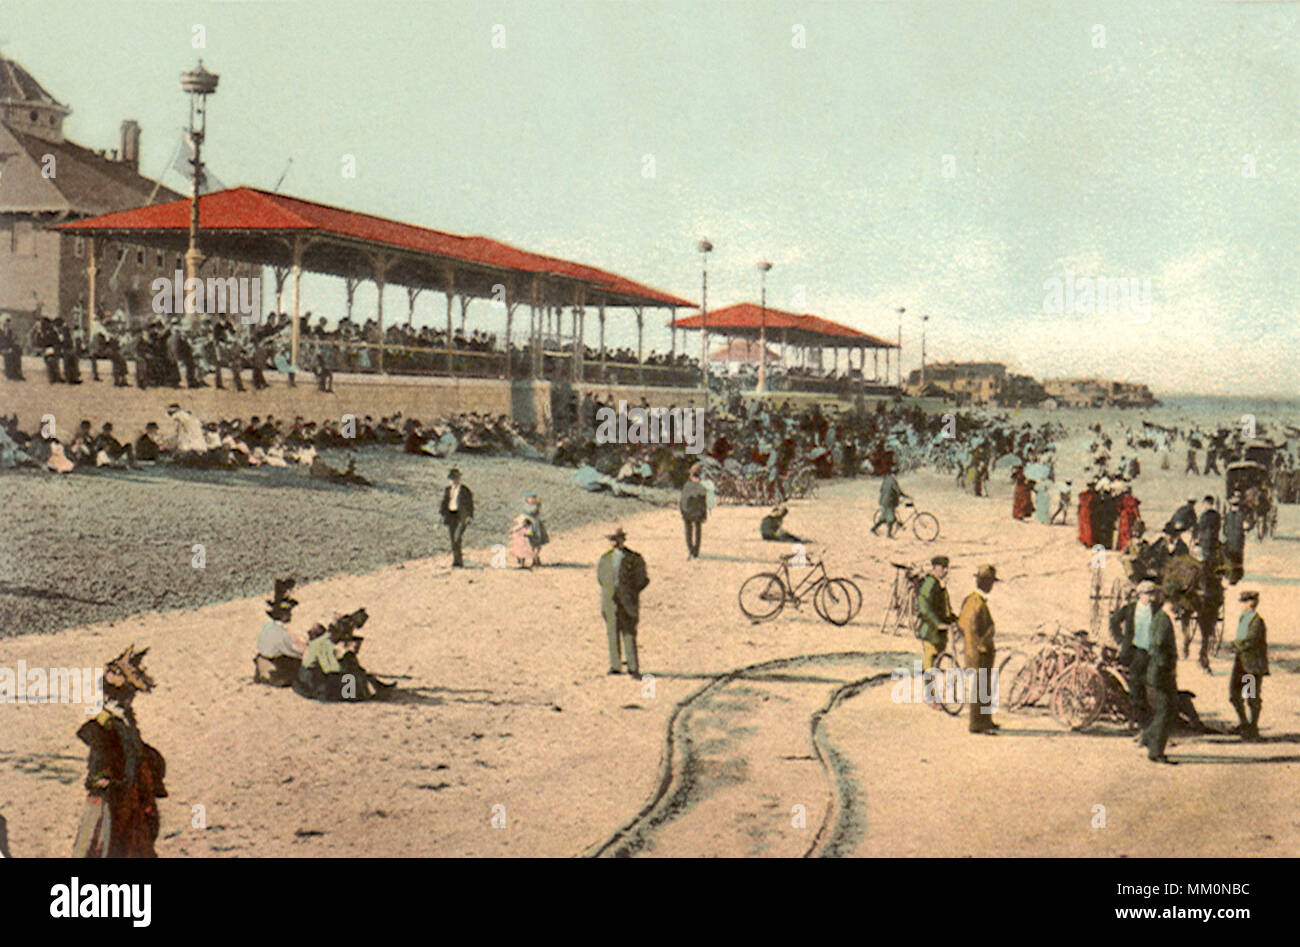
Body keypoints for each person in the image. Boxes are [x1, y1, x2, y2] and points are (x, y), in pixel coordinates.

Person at [72, 645, 167, 857]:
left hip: (123, 793)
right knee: (107, 842)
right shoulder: (111, 723)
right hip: (114, 794)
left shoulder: (119, 722)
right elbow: (105, 754)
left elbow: (130, 753)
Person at [596, 527, 649, 676]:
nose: (614, 542)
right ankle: (615, 665)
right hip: (610, 601)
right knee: (612, 633)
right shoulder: (605, 558)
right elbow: (601, 578)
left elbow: (642, 580)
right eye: (611, 539)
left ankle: (633, 667)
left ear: (623, 539)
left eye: (616, 539)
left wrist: (630, 593)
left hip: (628, 602)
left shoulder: (634, 558)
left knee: (629, 633)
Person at [958, 565, 1000, 733]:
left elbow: (961, 623)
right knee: (980, 688)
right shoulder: (978, 604)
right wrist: (981, 644)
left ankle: (986, 721)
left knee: (985, 687)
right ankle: (977, 724)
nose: (991, 587)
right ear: (985, 583)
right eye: (990, 583)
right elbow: (974, 627)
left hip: (974, 650)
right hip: (980, 652)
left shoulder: (970, 600)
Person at [1142, 587, 1180, 764]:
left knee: (1168, 709)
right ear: (1169, 603)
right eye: (1176, 603)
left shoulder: (1161, 618)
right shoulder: (1163, 620)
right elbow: (1157, 645)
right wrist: (1166, 665)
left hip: (1160, 673)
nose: (1179, 607)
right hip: (1160, 674)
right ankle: (1156, 752)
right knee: (1164, 711)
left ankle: (1148, 738)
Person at [1228, 591, 1268, 741]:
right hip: (1241, 662)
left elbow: (1251, 640)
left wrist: (1236, 645)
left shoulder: (1257, 621)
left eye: (1245, 602)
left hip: (1250, 665)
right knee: (1234, 695)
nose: (1242, 605)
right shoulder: (1244, 618)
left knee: (1251, 696)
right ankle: (1244, 724)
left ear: (1251, 603)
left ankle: (1253, 727)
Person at [917, 556, 958, 704]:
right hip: (930, 631)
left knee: (936, 665)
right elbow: (924, 607)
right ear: (934, 568)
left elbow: (946, 609)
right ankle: (930, 697)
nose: (946, 570)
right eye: (942, 567)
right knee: (930, 665)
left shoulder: (941, 585)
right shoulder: (929, 583)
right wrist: (937, 623)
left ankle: (934, 696)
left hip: (941, 631)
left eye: (947, 567)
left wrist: (954, 620)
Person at [254, 578, 305, 686]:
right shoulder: (281, 634)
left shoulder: (268, 626)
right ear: (282, 615)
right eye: (288, 612)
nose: (291, 615)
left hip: (262, 660)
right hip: (274, 669)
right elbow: (294, 653)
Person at [439, 467, 474, 567]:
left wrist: (469, 516)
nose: (454, 480)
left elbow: (470, 504)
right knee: (452, 538)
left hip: (461, 516)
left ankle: (459, 561)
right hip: (451, 516)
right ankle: (456, 561)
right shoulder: (448, 489)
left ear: (459, 478)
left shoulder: (465, 490)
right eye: (452, 478)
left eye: (456, 478)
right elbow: (444, 502)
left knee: (457, 537)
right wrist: (442, 514)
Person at [679, 463, 708, 559]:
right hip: (698, 511)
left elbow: (683, 500)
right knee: (697, 530)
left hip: (688, 511)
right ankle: (696, 550)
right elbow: (704, 502)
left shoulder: (687, 486)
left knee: (689, 530)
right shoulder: (702, 487)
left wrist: (683, 510)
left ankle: (691, 548)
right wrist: (704, 514)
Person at [872, 466, 908, 538]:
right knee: (890, 518)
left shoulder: (886, 479)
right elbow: (897, 490)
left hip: (883, 501)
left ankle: (874, 528)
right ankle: (889, 534)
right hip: (889, 502)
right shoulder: (893, 480)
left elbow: (881, 489)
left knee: (884, 517)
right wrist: (904, 496)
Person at [1222, 494, 1246, 584]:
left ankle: (1230, 575)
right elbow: (1245, 526)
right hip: (1239, 541)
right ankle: (1236, 575)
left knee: (1230, 557)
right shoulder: (1241, 515)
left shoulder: (1227, 515)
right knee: (1238, 557)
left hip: (1229, 540)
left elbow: (1224, 529)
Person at [1115, 485, 1142, 552]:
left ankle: (1122, 546)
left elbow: (1118, 508)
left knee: (1123, 532)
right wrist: (1138, 517)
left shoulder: (1122, 499)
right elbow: (1135, 509)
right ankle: (1127, 547)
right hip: (1130, 517)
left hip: (1123, 516)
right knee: (1128, 532)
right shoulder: (1132, 499)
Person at [1196, 495, 1221, 564]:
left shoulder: (1204, 516)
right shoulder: (1217, 515)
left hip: (1205, 541)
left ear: (1206, 503)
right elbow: (1218, 527)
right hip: (1214, 541)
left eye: (1204, 504)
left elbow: (1201, 528)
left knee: (1203, 562)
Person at [1077, 481, 1098, 547]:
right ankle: (1088, 541)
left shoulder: (1083, 494)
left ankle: (1083, 539)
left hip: (1082, 510)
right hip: (1088, 511)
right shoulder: (1092, 495)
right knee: (1088, 526)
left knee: (1083, 525)